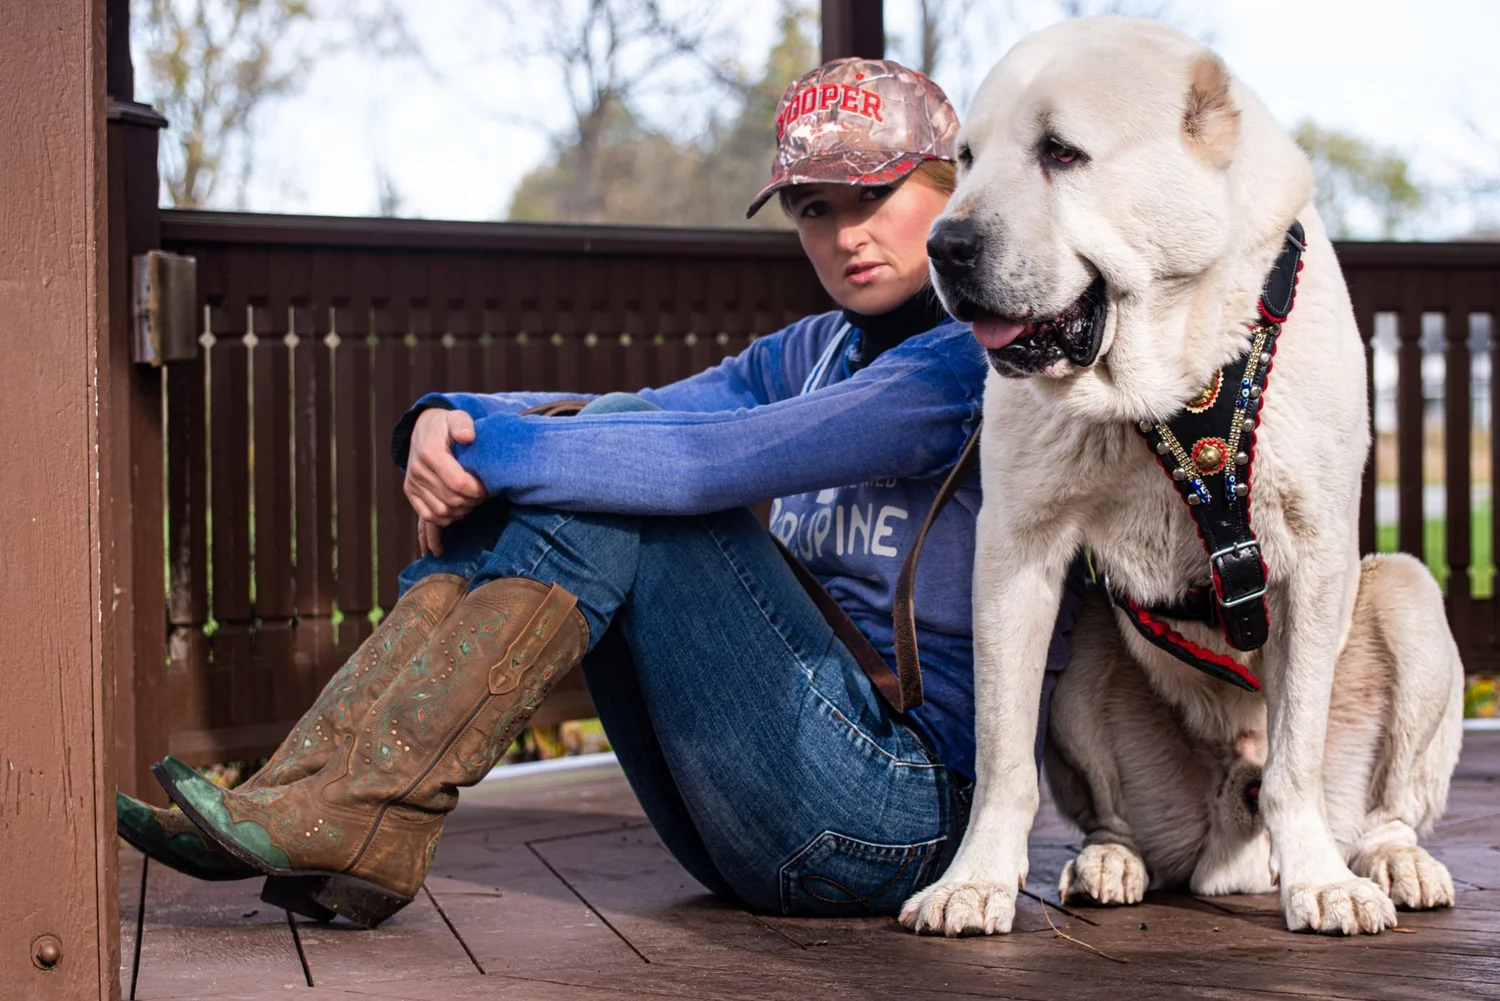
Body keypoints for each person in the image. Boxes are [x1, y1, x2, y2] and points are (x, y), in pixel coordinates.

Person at [117, 57, 1084, 928]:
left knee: (615, 468)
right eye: (813, 209)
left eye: (874, 195)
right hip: (754, 815)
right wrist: (446, 414)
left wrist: (491, 450)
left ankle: (351, 807)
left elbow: (713, 461)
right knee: (603, 447)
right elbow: (648, 413)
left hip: (909, 819)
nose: (845, 235)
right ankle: (323, 788)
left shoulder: (978, 366)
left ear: (956, 182)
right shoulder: (815, 348)